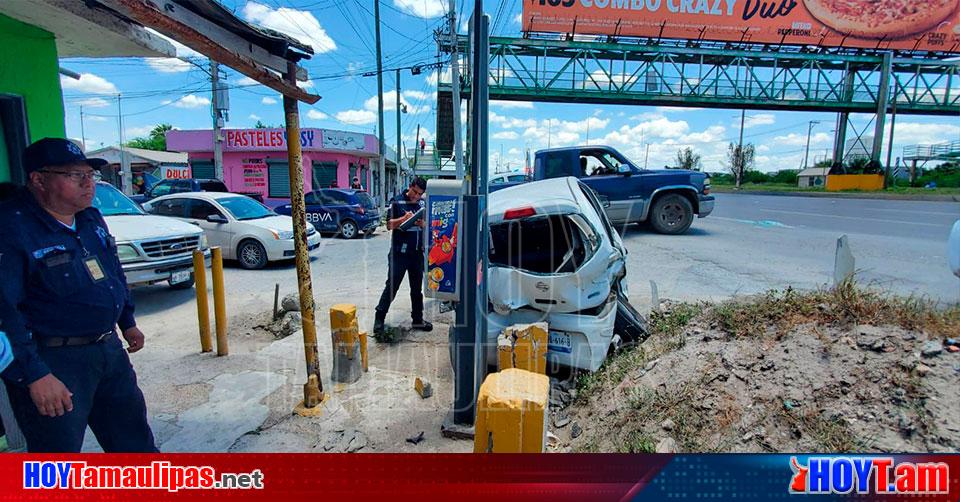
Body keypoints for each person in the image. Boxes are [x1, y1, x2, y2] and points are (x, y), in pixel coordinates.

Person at [0, 138, 157, 453]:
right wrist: (35, 375)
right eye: (74, 175)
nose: (88, 183)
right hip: (53, 360)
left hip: (106, 349)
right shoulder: (12, 229)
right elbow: (5, 313)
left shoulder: (89, 218)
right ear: (38, 180)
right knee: (57, 461)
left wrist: (127, 320)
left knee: (134, 442)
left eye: (91, 175)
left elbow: (111, 270)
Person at [374, 177, 432, 336]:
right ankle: (379, 319)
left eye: (419, 194)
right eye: (414, 192)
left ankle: (418, 320)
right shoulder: (397, 202)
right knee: (392, 287)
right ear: (410, 187)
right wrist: (403, 219)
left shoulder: (422, 204)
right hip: (399, 254)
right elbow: (388, 225)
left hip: (416, 254)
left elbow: (428, 225)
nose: (416, 196)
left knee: (416, 289)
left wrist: (423, 224)